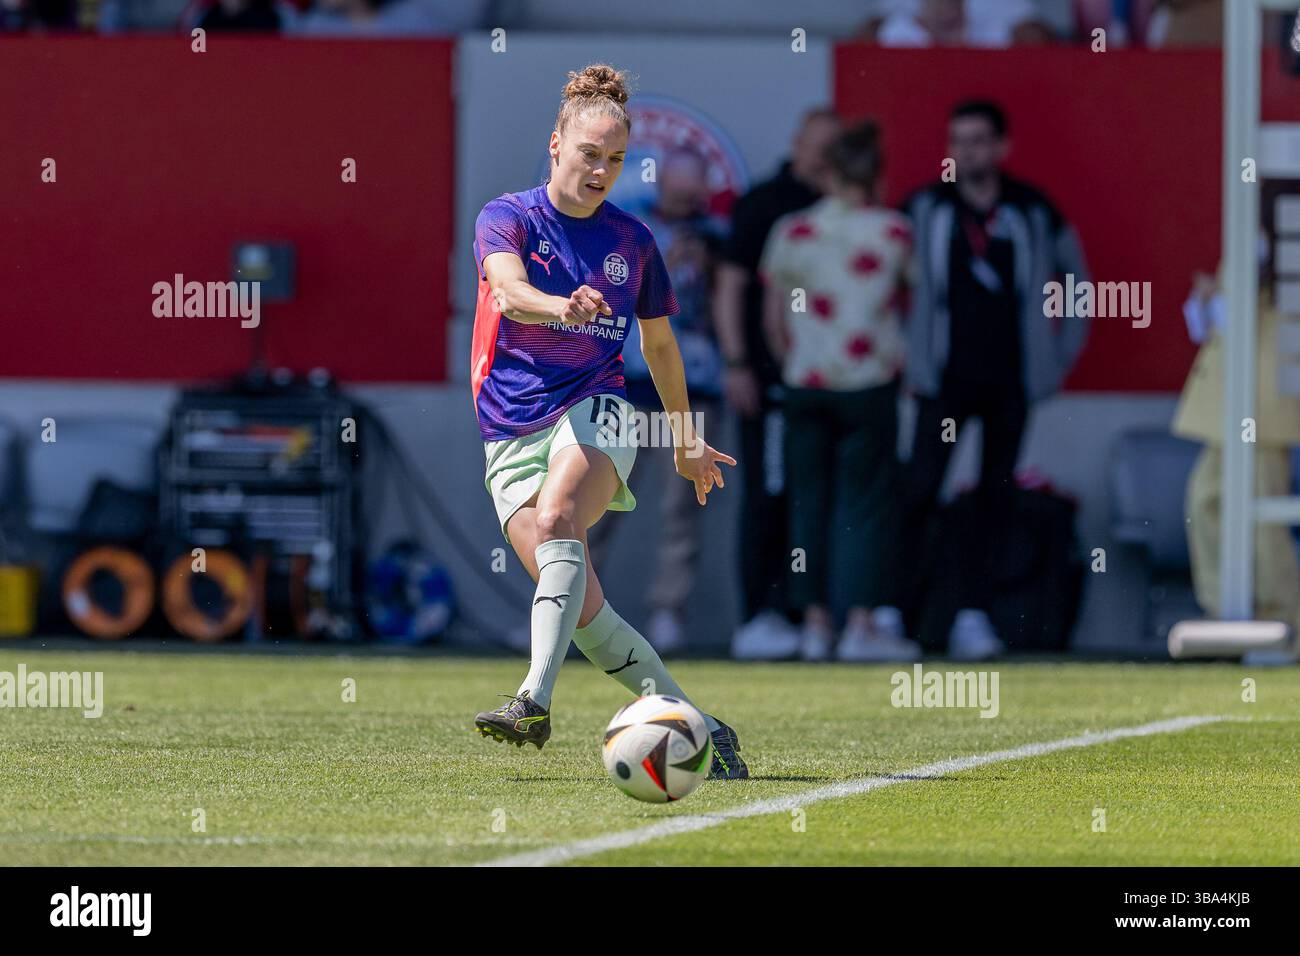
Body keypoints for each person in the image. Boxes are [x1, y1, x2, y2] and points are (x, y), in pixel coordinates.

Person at [468, 64, 747, 779]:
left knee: (562, 517)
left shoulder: (632, 241)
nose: (601, 170)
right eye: (590, 153)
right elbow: (508, 291)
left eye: (616, 159)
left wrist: (685, 437)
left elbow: (658, 344)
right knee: (586, 616)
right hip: (509, 432)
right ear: (557, 142)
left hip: (602, 411)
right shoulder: (509, 217)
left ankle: (532, 701)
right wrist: (562, 306)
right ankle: (701, 729)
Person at [899, 100, 1090, 660]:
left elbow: (1077, 278)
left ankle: (975, 616)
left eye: (981, 140)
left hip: (1010, 380)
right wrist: (905, 355)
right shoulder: (926, 206)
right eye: (959, 140)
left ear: (1002, 147)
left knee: (996, 497)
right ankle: (898, 615)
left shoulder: (1032, 210)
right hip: (943, 381)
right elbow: (878, 270)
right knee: (919, 491)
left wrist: (1057, 358)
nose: (969, 151)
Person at [759, 121, 922, 663]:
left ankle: (813, 625)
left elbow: (774, 314)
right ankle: (859, 625)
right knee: (865, 505)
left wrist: (793, 363)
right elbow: (914, 304)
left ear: (827, 171)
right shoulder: (896, 231)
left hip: (805, 381)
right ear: (876, 171)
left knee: (807, 503)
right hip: (870, 383)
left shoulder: (792, 229)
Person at [588, 147, 725, 656]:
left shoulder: (717, 238)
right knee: (595, 502)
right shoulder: (629, 229)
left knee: (683, 507)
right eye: (677, 187)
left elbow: (729, 306)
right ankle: (571, 608)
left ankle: (669, 610)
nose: (686, 198)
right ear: (659, 183)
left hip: (691, 388)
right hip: (625, 385)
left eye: (695, 189)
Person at [714, 107, 841, 660]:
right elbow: (730, 287)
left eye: (833, 148)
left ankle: (805, 612)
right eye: (816, 145)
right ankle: (760, 614)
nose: (822, 157)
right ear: (797, 143)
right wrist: (739, 363)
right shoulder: (765, 203)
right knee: (768, 493)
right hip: (769, 383)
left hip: (830, 382)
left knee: (814, 497)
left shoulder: (844, 208)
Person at [1174, 260, 1300, 626]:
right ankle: (1225, 609)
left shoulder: (1283, 233)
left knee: (1264, 517)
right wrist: (1211, 300)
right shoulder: (1251, 230)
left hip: (1264, 406)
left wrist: (1218, 302)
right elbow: (1220, 327)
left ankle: (1284, 618)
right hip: (1230, 405)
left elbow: (1254, 322)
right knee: (1204, 499)